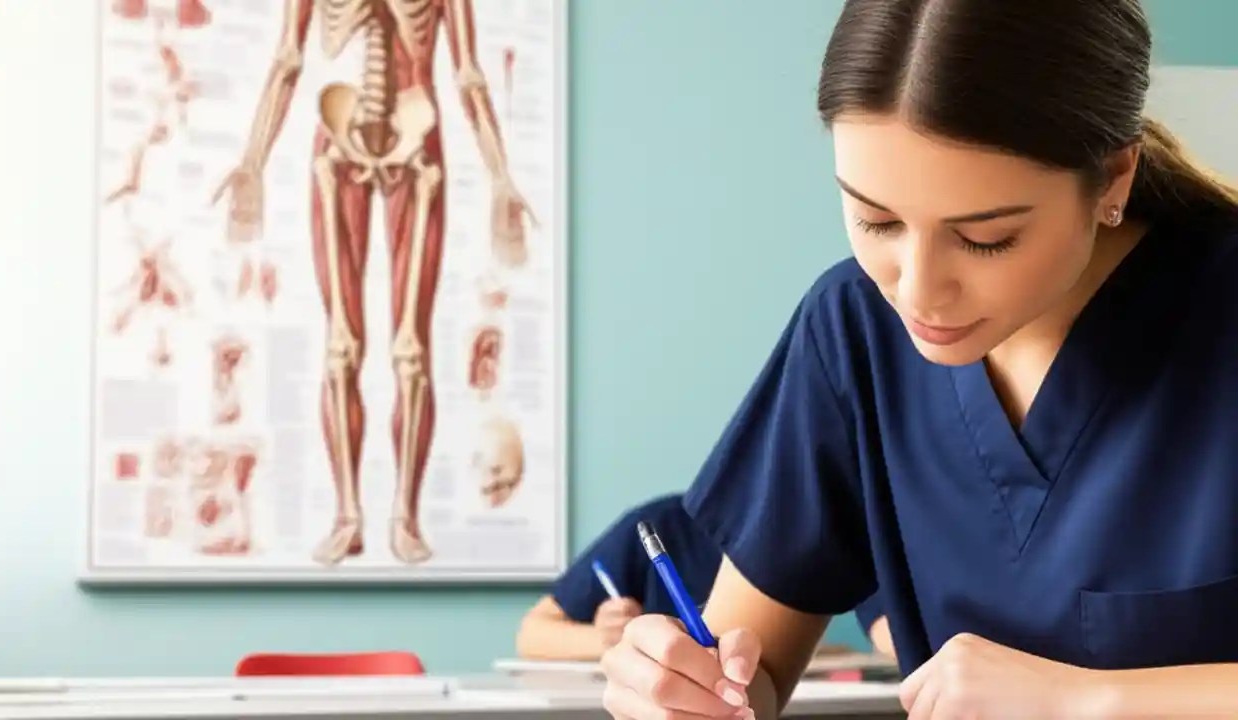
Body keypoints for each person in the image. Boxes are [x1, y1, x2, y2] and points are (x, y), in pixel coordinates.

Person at [598, 2, 1238, 719]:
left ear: (1114, 179)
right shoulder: (856, 331)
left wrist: (1086, 700)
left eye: (986, 238)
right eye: (876, 220)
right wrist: (679, 687)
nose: (917, 289)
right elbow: (748, 673)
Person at [516, 494, 889, 661]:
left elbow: (889, 633)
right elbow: (532, 634)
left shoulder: (816, 525)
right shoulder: (660, 525)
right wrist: (605, 639)